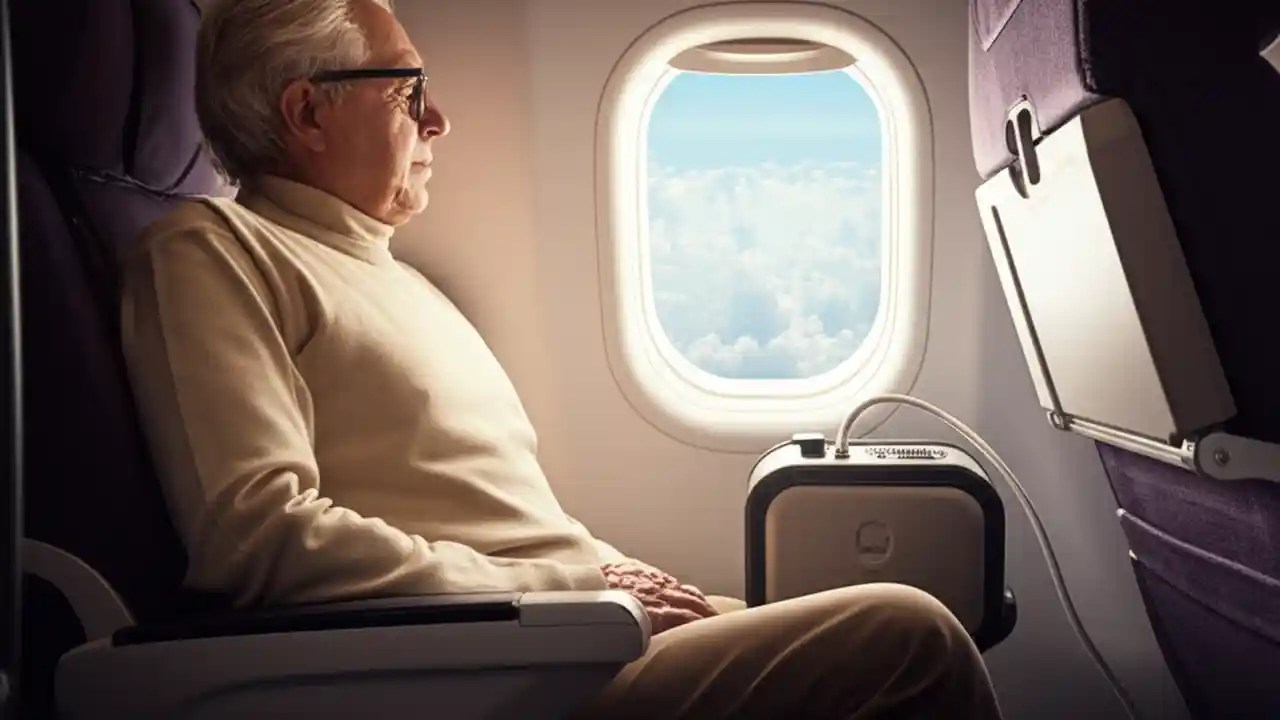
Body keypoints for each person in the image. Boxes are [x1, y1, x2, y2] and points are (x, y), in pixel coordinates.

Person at [120, 0, 1005, 717]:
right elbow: (259, 538)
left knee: (849, 617)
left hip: (560, 632)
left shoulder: (396, 278)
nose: (439, 118)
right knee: (910, 636)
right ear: (308, 110)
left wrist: (628, 585)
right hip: (489, 673)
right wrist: (581, 584)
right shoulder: (214, 251)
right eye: (406, 89)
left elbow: (498, 521)